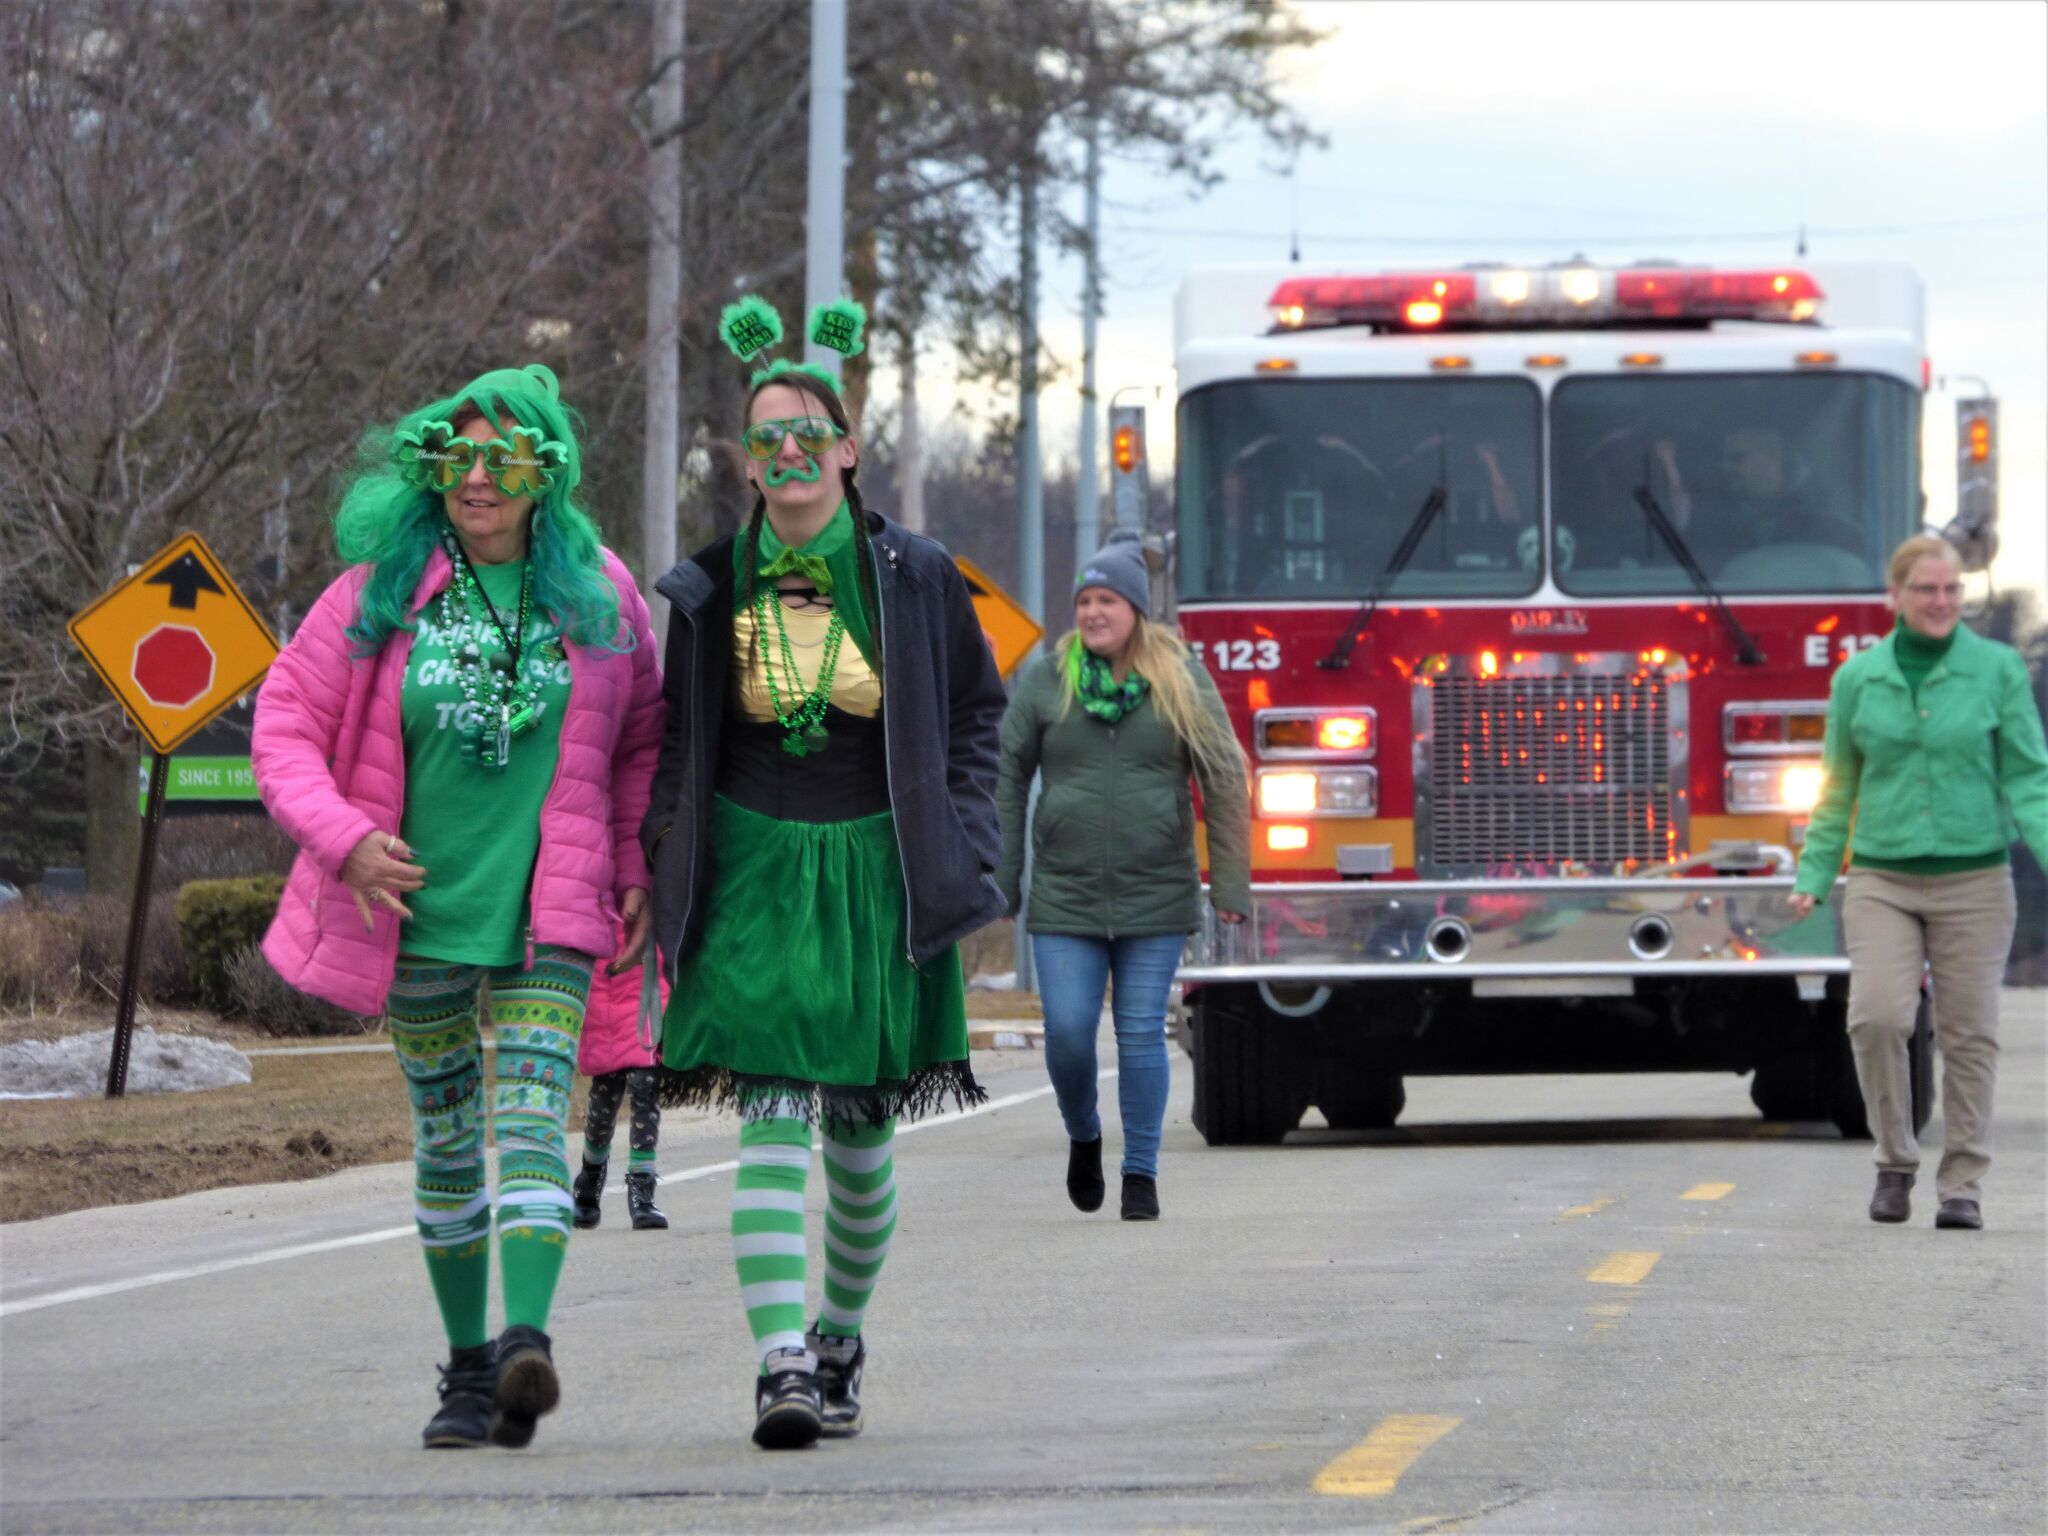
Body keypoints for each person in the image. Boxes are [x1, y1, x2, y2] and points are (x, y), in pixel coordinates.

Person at [251, 364, 663, 1450]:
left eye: (505, 459)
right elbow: (282, 730)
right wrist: (345, 842)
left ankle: (525, 1342)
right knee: (446, 1137)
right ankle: (468, 1372)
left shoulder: (601, 593)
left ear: (548, 473)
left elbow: (641, 744)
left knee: (531, 1123)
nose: (477, 479)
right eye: (456, 458)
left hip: (552, 909)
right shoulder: (375, 596)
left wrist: (631, 863)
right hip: (415, 913)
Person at [642, 296, 1007, 1450]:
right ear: (748, 462)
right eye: (766, 437)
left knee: (857, 1148)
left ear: (848, 450)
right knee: (768, 1118)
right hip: (751, 869)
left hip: (877, 878)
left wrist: (962, 843)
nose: (787, 454)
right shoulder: (705, 591)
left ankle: (838, 1330)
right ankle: (780, 1365)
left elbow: (974, 719)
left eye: (808, 433)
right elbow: (673, 742)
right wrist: (660, 864)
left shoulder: (917, 576)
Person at [1788, 532, 2048, 1230]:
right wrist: (1814, 874)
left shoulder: (1996, 670)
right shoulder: (1856, 679)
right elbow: (1836, 787)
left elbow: (2030, 777)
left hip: (1975, 878)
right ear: (1895, 599)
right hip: (1882, 875)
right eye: (1927, 590)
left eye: (1952, 590)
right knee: (1877, 1019)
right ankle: (1895, 1160)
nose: (1942, 602)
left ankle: (1962, 1182)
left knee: (1969, 1035)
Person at [995, 530, 1252, 1222]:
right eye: (1084, 600)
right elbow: (1009, 773)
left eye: (1107, 599)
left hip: (1155, 891)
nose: (1092, 612)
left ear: (1136, 609)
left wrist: (1230, 886)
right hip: (1066, 892)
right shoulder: (1050, 678)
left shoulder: (1178, 677)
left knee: (1140, 1032)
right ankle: (1084, 1132)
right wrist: (1004, 878)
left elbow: (1224, 775)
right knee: (1071, 1033)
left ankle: (1141, 1172)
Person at [571, 926, 669, 1232]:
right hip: (601, 978)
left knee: (646, 1085)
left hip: (646, 974)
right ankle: (590, 1176)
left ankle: (642, 1189)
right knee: (603, 1095)